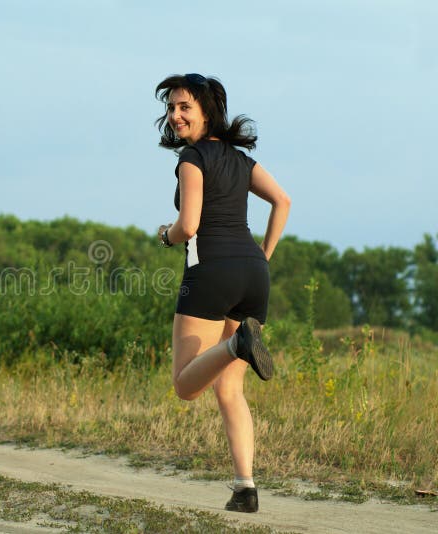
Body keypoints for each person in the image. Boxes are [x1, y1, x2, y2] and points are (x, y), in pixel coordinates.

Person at [155, 73, 291, 513]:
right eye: (172, 108)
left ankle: (236, 343)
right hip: (254, 275)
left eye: (184, 108)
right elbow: (283, 201)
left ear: (206, 112)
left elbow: (189, 225)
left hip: (211, 272)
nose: (175, 116)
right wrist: (263, 257)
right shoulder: (239, 160)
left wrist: (165, 236)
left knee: (184, 385)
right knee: (230, 389)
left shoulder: (193, 157)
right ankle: (245, 488)